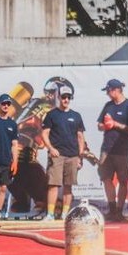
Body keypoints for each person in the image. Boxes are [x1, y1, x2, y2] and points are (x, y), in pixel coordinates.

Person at [96, 78, 128, 222]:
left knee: (123, 180)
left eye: (108, 91)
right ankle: (112, 209)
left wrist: (115, 124)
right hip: (107, 149)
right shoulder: (108, 106)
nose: (107, 94)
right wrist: (105, 126)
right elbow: (99, 125)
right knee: (105, 178)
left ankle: (120, 211)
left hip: (123, 150)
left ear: (116, 90)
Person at [41, 84, 86, 220]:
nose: (66, 100)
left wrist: (80, 156)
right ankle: (50, 214)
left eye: (68, 97)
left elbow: (80, 137)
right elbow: (44, 134)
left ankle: (65, 214)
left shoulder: (76, 116)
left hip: (72, 156)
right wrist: (51, 148)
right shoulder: (51, 115)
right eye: (63, 97)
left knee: (68, 186)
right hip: (57, 155)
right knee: (53, 185)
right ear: (59, 98)